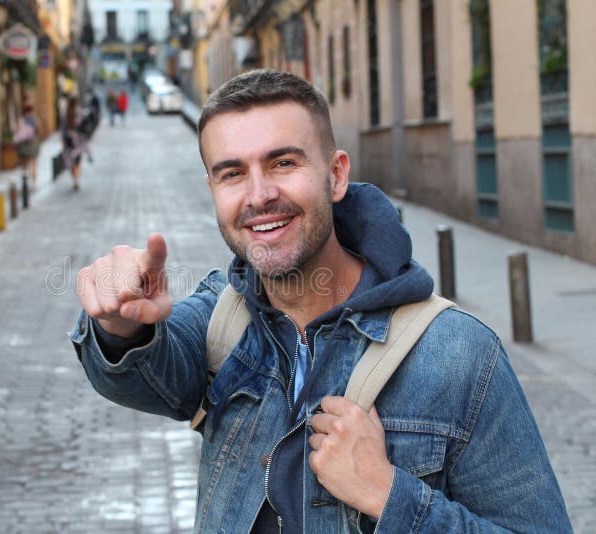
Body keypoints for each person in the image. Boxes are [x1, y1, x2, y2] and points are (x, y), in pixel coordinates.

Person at [71, 70, 571, 532]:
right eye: (232, 173)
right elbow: (144, 374)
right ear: (212, 189)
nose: (259, 194)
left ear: (335, 175)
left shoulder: (461, 355)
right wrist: (121, 326)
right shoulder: (220, 322)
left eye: (283, 162)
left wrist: (390, 496)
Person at [62, 97, 92, 191]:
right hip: (77, 142)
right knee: (77, 162)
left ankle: (74, 178)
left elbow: (62, 130)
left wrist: (63, 142)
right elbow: (85, 126)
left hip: (68, 142)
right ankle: (76, 180)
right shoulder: (79, 114)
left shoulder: (65, 116)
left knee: (71, 161)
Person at [14, 104, 40, 189]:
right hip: (33, 143)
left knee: (24, 164)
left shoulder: (20, 120)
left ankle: (25, 182)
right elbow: (37, 130)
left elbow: (17, 132)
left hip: (23, 144)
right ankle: (34, 183)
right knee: (33, 163)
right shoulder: (34, 120)